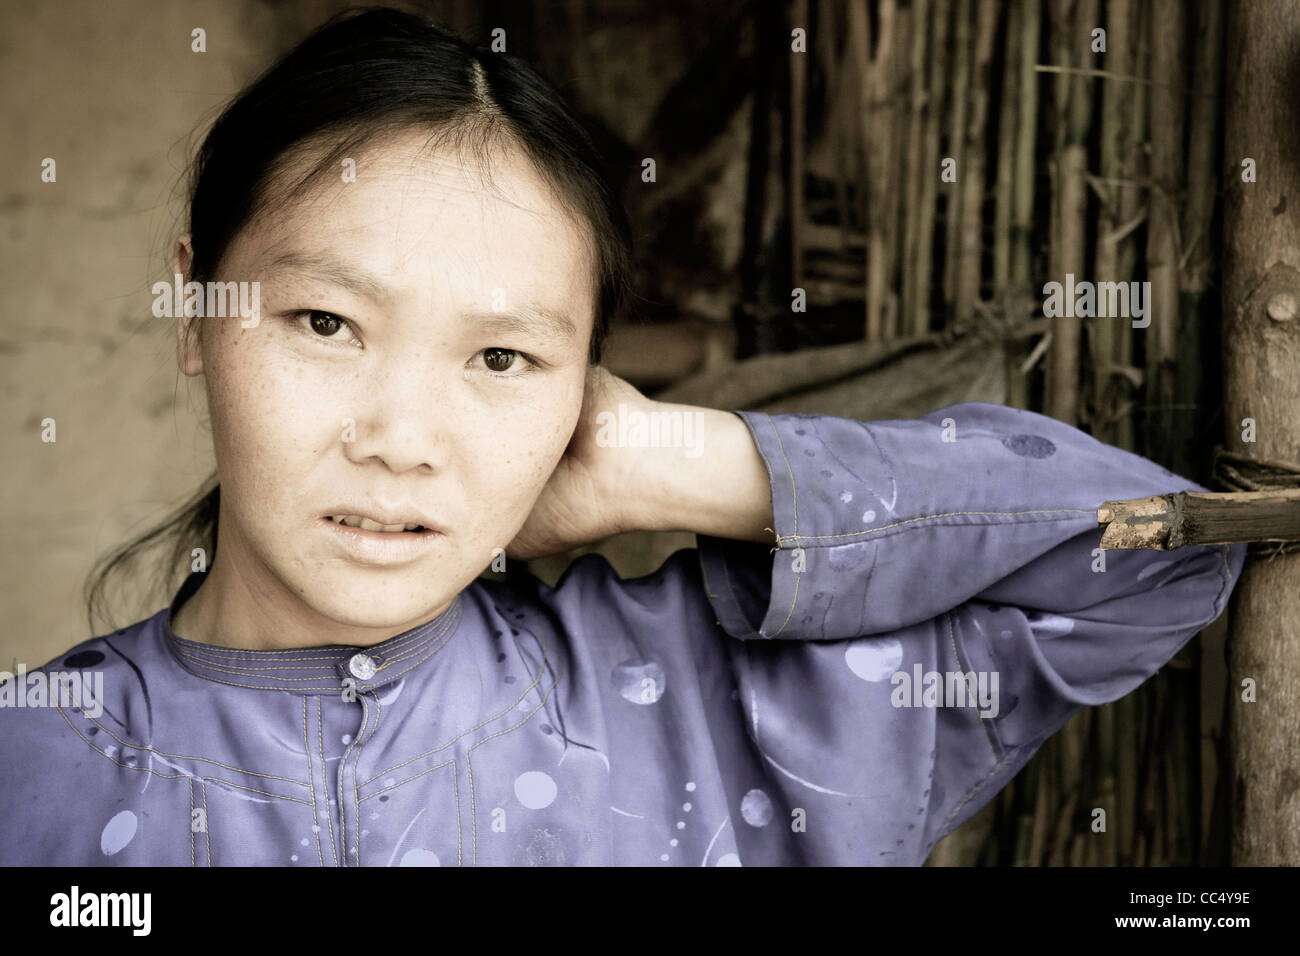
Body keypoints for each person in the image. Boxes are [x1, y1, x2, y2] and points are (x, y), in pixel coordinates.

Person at [0, 7, 1244, 866]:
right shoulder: (33, 768)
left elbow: (1161, 547)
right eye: (326, 321)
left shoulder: (708, 701)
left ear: (584, 380)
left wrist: (667, 459)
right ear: (195, 309)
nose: (401, 439)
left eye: (502, 358)